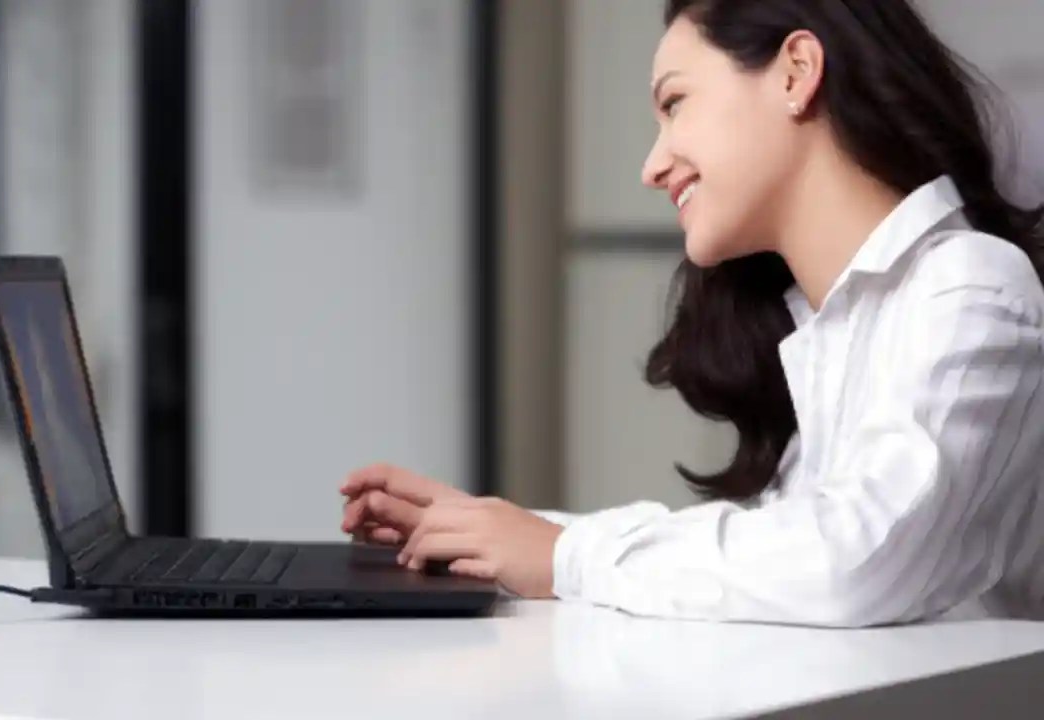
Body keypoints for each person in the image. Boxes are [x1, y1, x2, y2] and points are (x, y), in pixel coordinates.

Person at [338, 0, 1044, 628]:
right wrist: (495, 536)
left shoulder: (970, 283)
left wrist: (562, 553)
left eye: (674, 103)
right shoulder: (832, 325)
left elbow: (854, 562)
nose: (652, 166)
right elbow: (780, 554)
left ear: (796, 72)